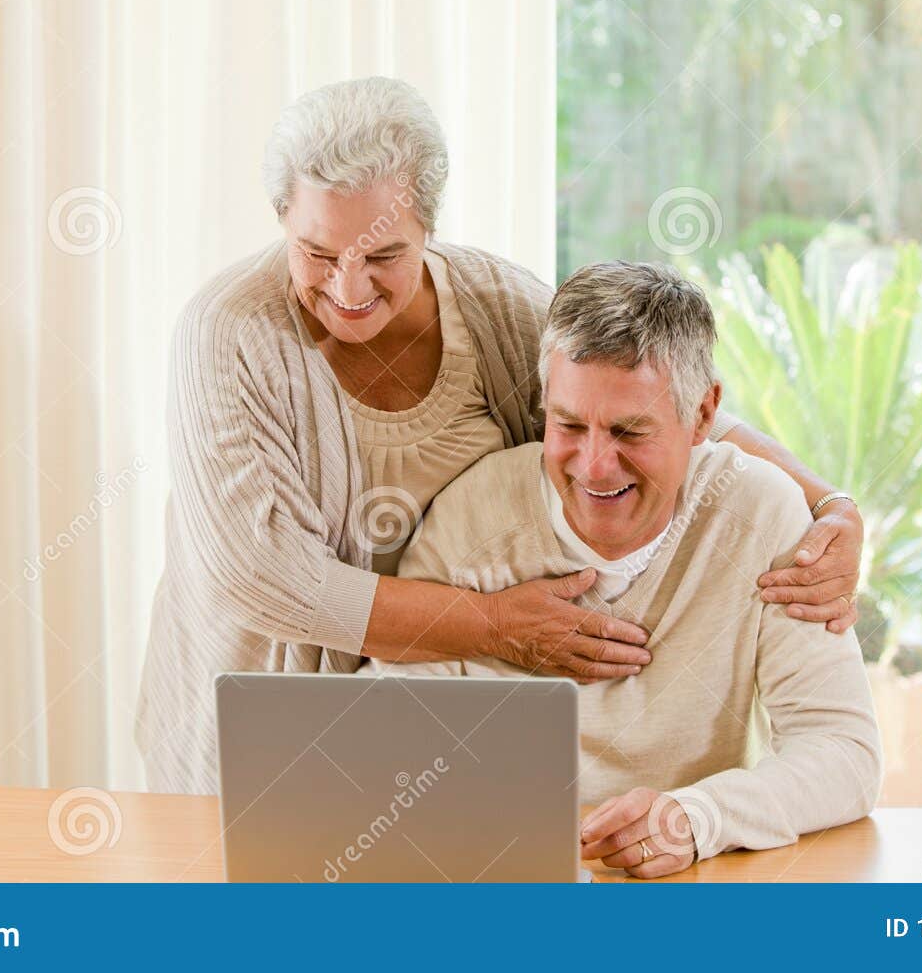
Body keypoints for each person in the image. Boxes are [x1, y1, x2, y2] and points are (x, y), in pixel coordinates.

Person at [136, 77, 866, 794]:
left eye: (384, 256)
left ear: (428, 227)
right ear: (281, 219)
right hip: (250, 726)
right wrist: (489, 625)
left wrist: (827, 503)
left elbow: (646, 400)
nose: (350, 289)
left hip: (411, 725)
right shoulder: (227, 333)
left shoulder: (492, 305)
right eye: (318, 254)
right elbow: (272, 579)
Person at [368, 261, 881, 878]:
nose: (594, 467)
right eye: (568, 424)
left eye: (629, 431)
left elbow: (845, 753)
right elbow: (385, 744)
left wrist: (696, 818)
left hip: (690, 884)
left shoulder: (760, 514)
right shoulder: (472, 516)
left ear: (703, 414)